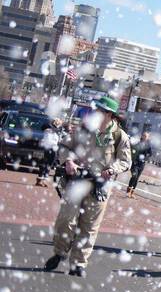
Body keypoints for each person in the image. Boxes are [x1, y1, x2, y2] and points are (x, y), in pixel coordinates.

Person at [44, 97, 132, 276]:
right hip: (77, 180)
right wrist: (68, 161)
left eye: (100, 110)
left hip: (100, 185)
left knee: (89, 226)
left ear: (109, 114)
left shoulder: (119, 136)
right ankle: (60, 252)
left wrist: (112, 169)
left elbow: (125, 161)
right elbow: (65, 146)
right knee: (66, 219)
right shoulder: (83, 128)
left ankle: (78, 263)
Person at [125, 128, 153, 197]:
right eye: (144, 135)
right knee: (134, 176)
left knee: (137, 178)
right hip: (135, 163)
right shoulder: (138, 143)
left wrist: (146, 156)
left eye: (146, 136)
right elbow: (133, 152)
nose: (144, 137)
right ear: (142, 136)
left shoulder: (148, 146)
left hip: (142, 164)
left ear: (148, 138)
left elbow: (150, 154)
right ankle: (128, 191)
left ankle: (132, 192)